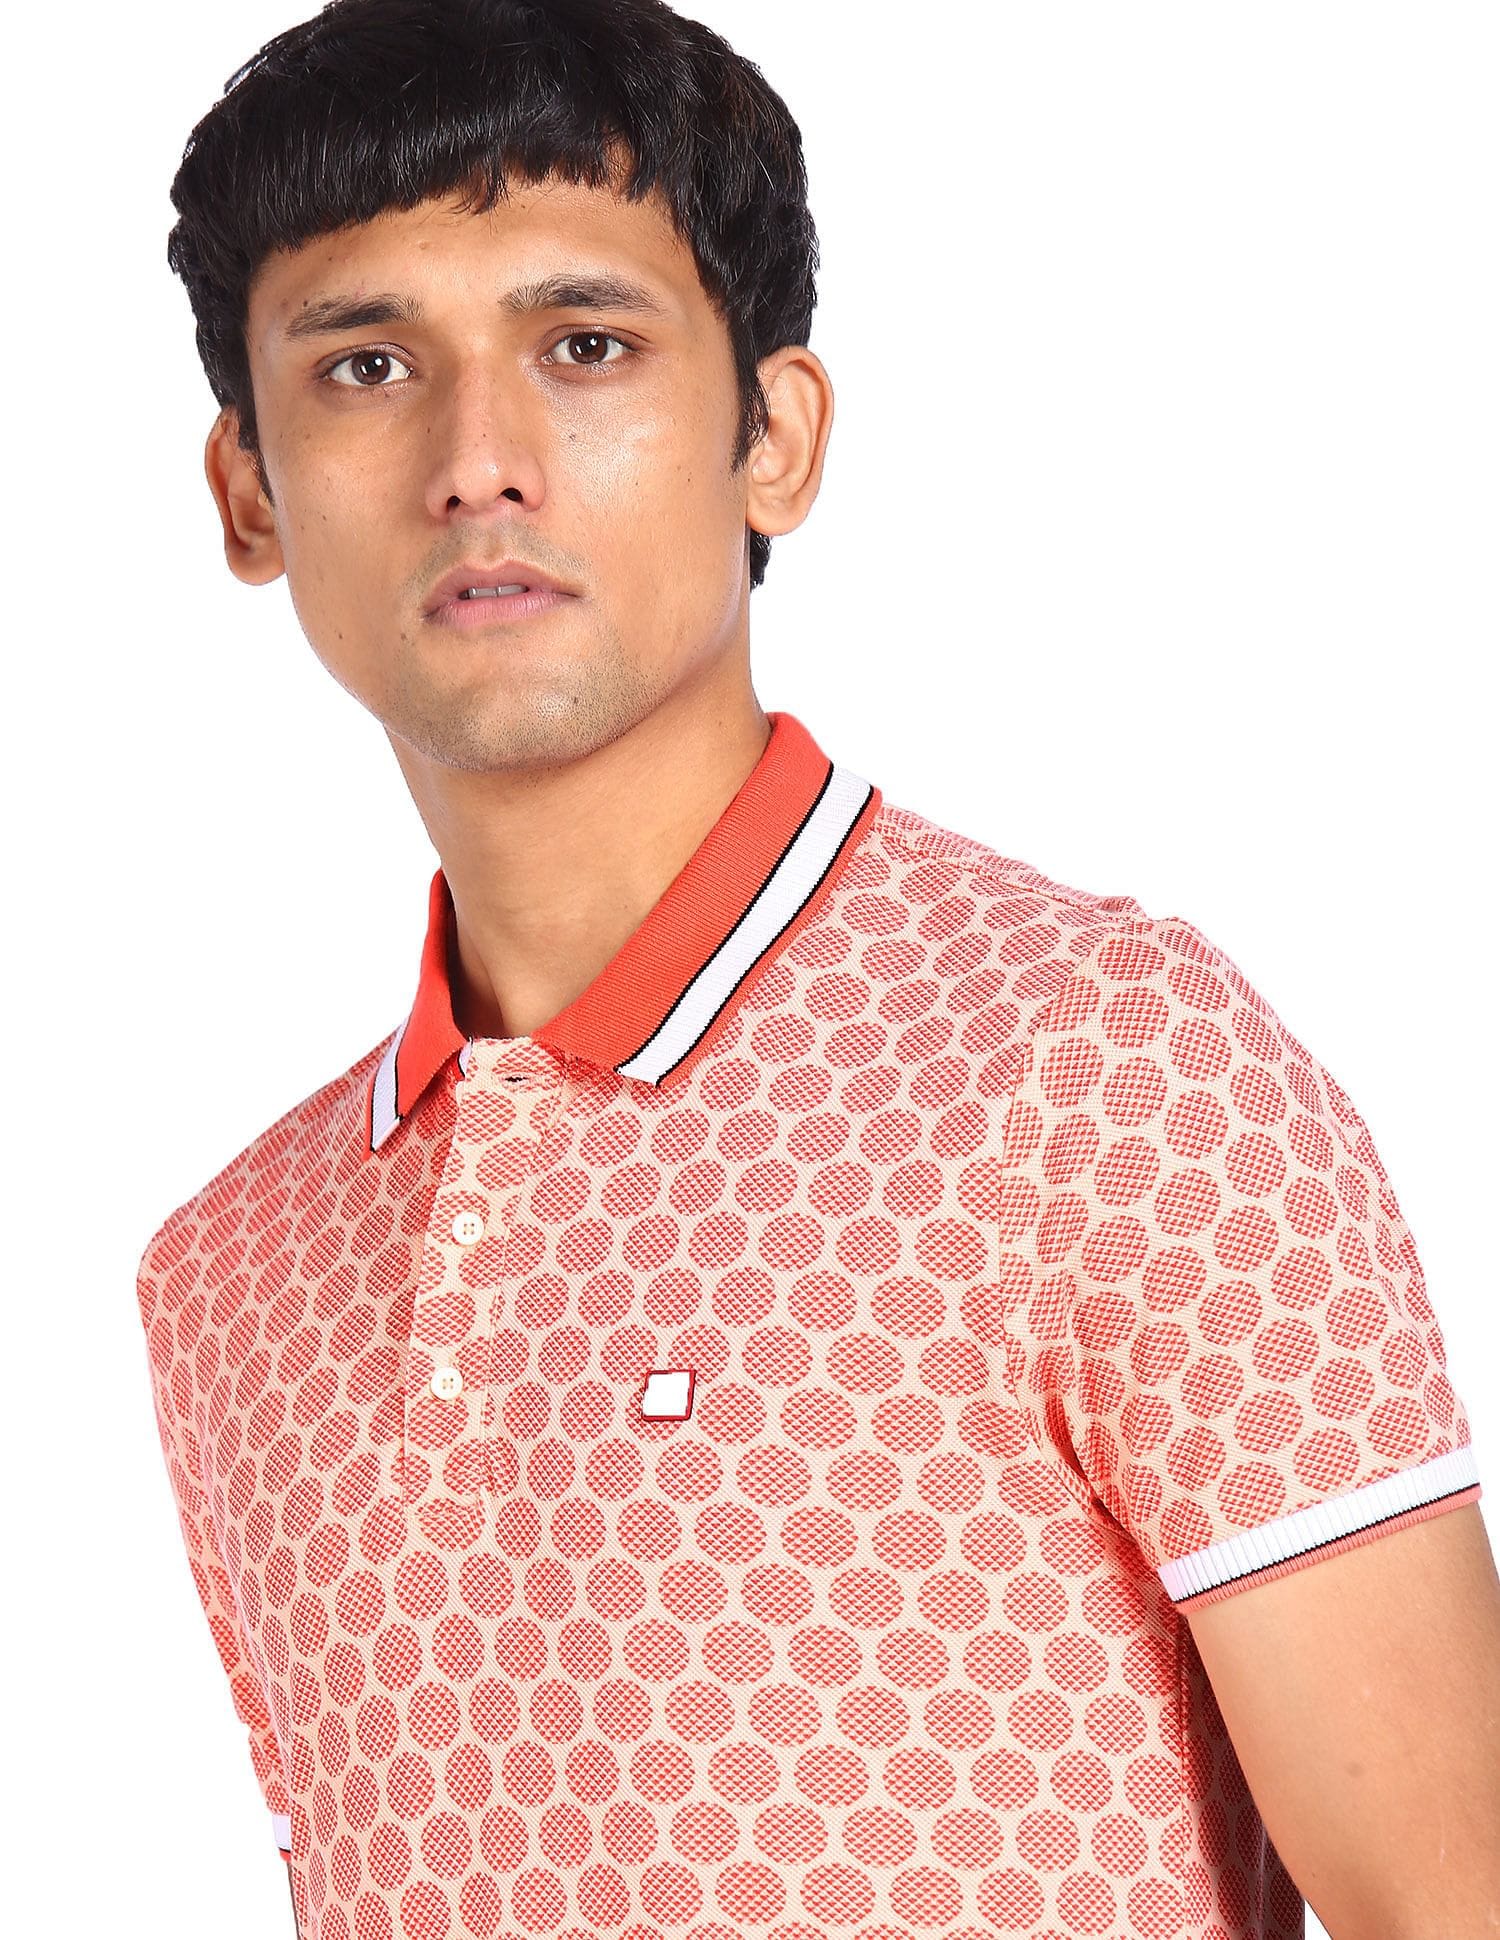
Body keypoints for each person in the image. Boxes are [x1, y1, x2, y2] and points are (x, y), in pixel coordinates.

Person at [135, 2, 1500, 1936]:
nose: (478, 461)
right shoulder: (229, 1275)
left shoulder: (1101, 1068)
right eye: (366, 365)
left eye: (584, 345)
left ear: (774, 438)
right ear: (251, 493)